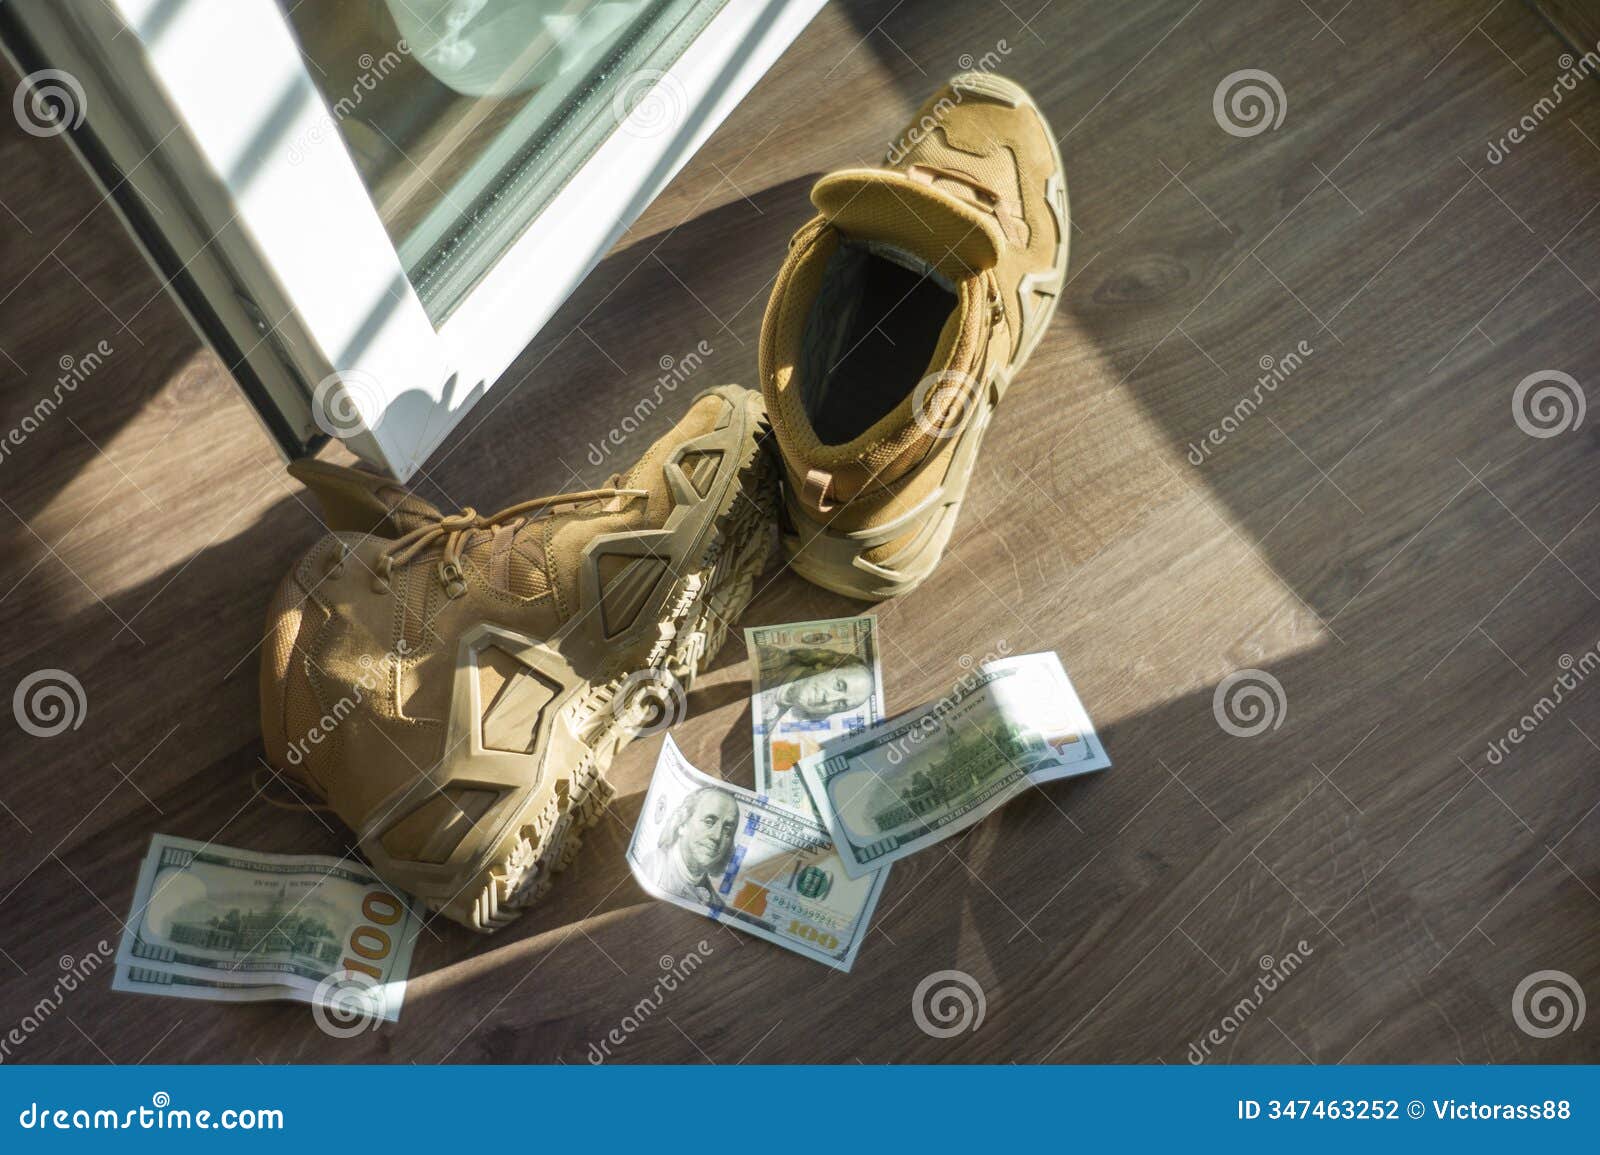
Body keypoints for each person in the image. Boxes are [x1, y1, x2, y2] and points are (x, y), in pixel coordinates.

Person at [652, 787, 739, 907]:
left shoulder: (717, 905)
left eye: (727, 830)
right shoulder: (653, 866)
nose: (717, 836)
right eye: (709, 822)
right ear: (682, 824)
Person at [759, 648, 874, 730]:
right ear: (823, 666)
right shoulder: (766, 659)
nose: (829, 699)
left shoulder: (778, 730)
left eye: (841, 704)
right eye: (839, 685)